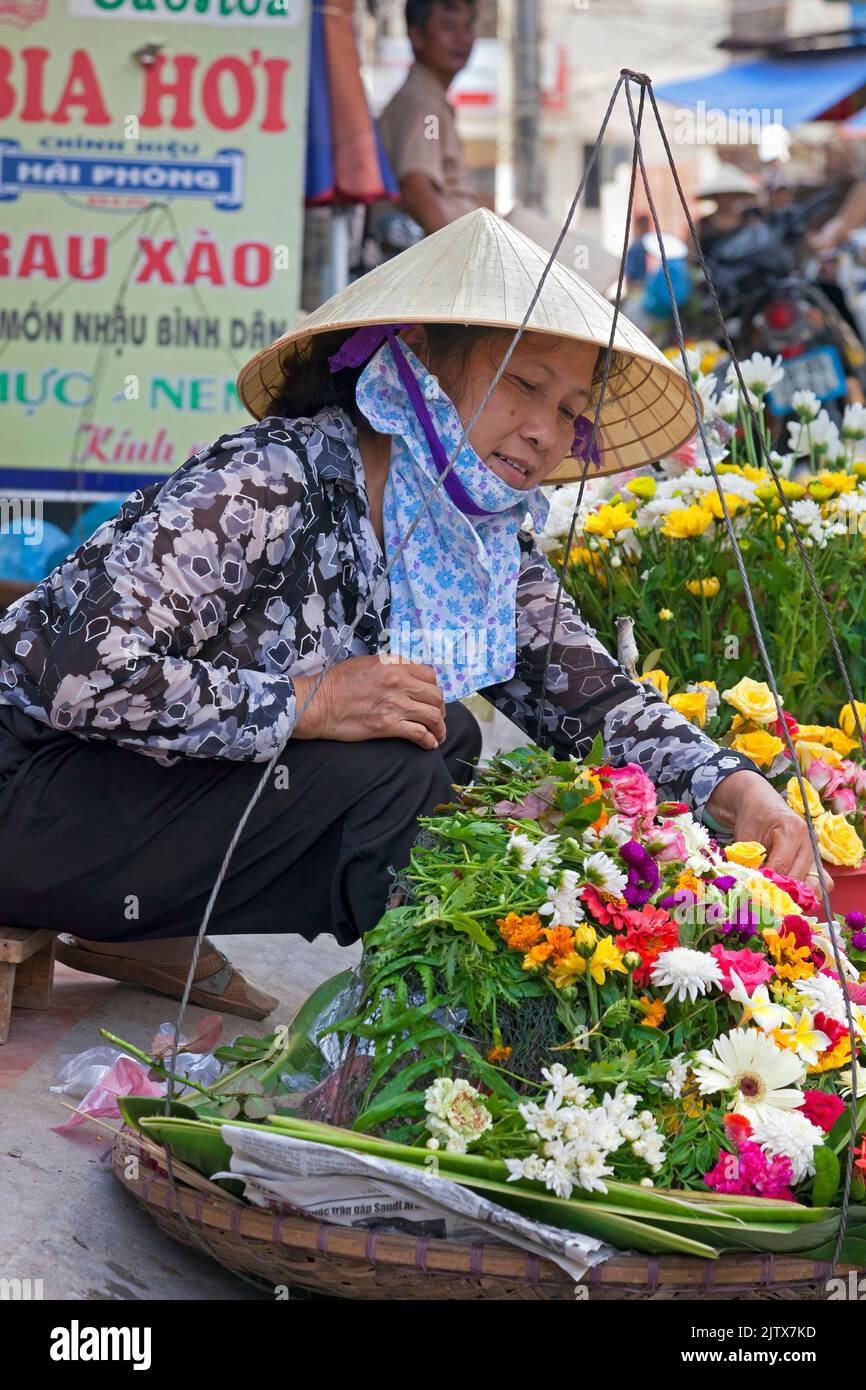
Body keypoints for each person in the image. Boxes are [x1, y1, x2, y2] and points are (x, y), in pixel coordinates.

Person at [0, 208, 830, 1021]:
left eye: (572, 412)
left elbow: (594, 699)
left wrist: (737, 791)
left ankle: (155, 923)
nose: (544, 432)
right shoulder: (270, 480)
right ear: (420, 360)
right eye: (522, 383)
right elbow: (81, 676)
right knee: (392, 774)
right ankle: (429, 1030)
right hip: (28, 790)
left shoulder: (474, 537)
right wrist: (308, 700)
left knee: (438, 731)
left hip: (128, 802)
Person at [376, 0, 492, 235]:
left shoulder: (430, 98)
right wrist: (453, 254)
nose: (462, 38)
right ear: (417, 36)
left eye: (467, 27)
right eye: (449, 27)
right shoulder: (422, 102)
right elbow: (415, 187)